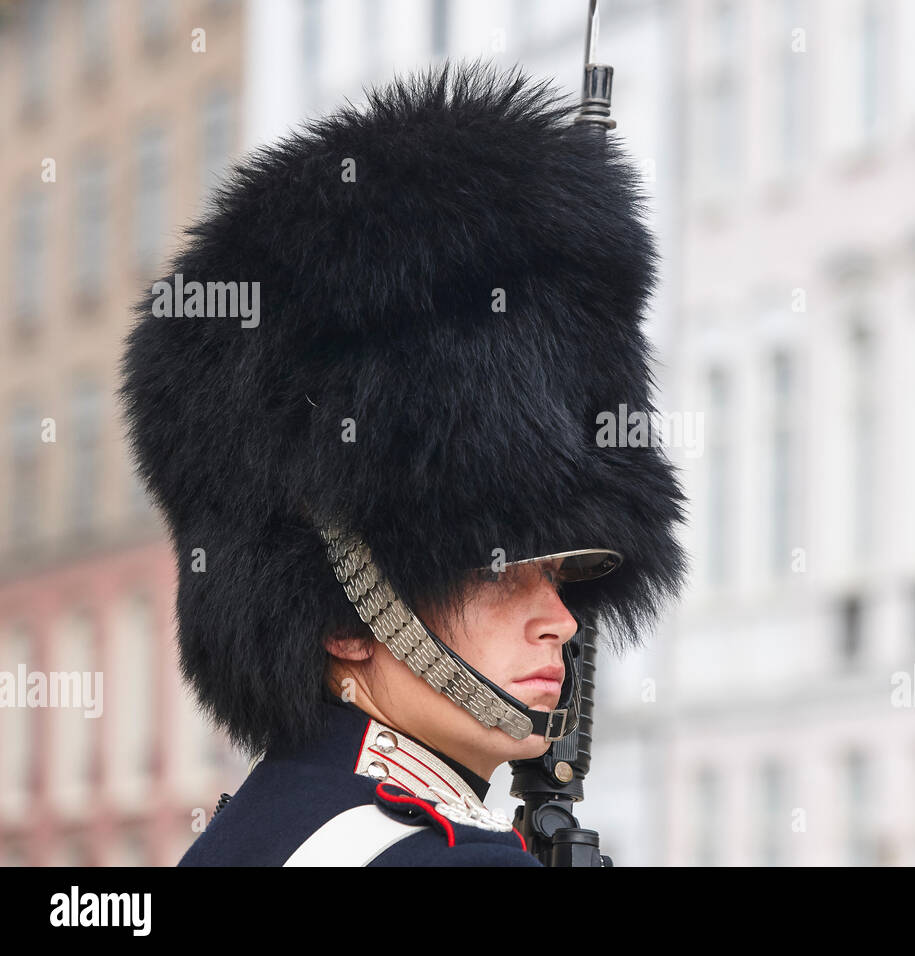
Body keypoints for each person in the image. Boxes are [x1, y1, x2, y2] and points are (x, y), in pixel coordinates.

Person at [119, 59, 687, 866]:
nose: (560, 619)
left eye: (558, 574)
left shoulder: (247, 835)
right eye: (499, 572)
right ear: (347, 621)